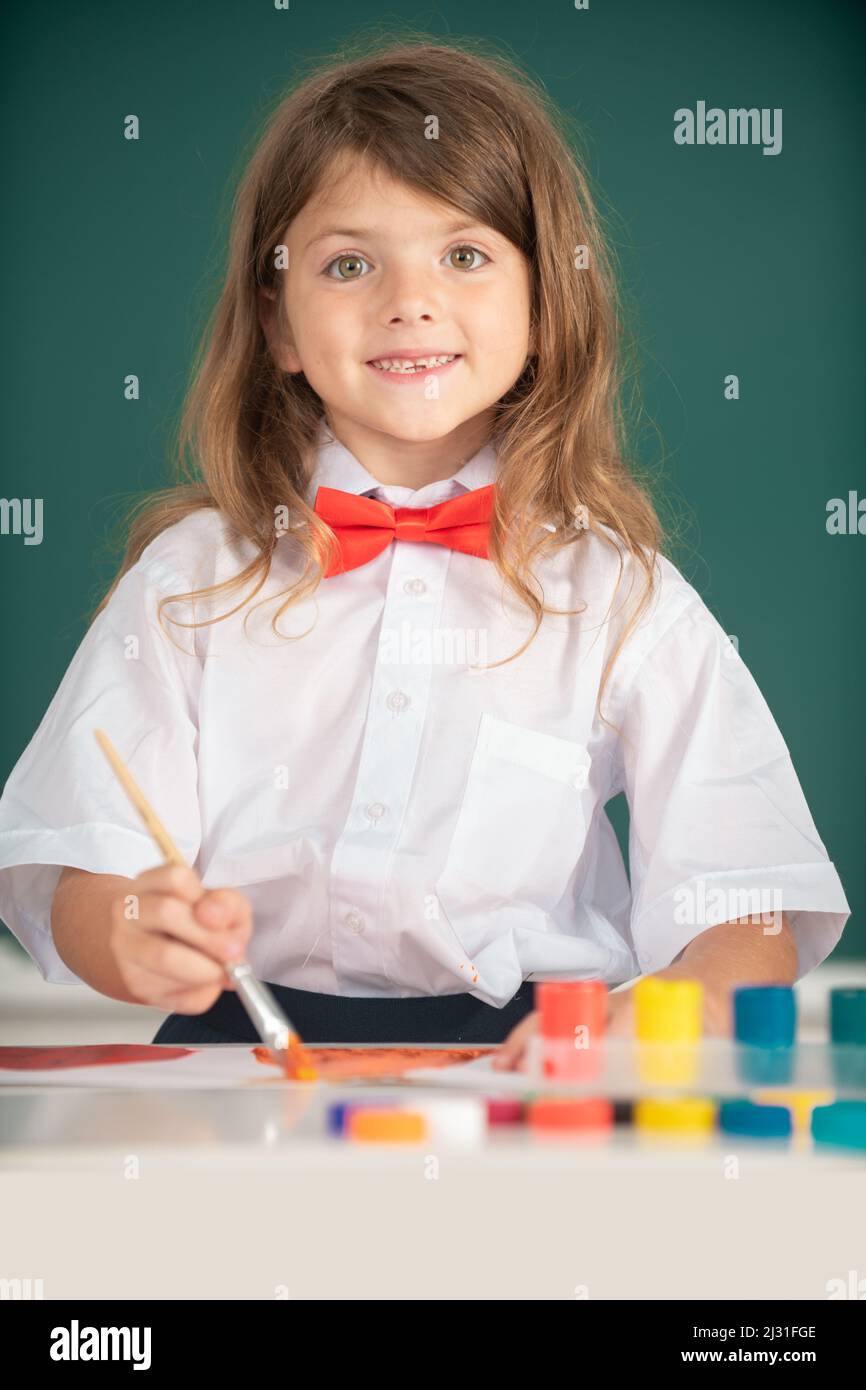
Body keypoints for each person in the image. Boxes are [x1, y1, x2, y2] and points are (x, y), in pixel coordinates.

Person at [0, 41, 850, 1064]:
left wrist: (665, 1012)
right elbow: (75, 863)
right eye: (348, 263)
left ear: (543, 305)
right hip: (235, 1053)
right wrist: (133, 933)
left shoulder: (621, 594)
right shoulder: (188, 579)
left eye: (464, 254)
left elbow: (751, 901)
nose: (408, 300)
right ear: (276, 321)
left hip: (527, 1059)